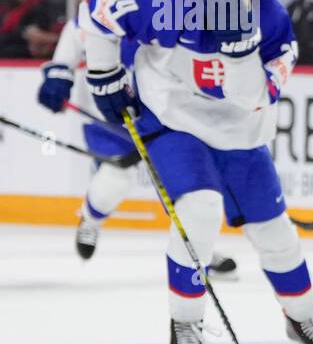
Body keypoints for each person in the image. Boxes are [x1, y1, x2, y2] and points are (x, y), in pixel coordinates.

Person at [76, 0, 313, 344]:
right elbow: (96, 14)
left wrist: (241, 53)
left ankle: (302, 320)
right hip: (173, 123)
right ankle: (185, 321)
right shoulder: (168, 1)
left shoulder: (272, 20)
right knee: (200, 210)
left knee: (275, 233)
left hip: (242, 135)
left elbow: (253, 98)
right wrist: (104, 76)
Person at [36, 19, 237, 278]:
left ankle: (198, 250)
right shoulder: (121, 4)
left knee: (191, 185)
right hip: (112, 114)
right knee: (117, 178)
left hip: (163, 114)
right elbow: (80, 25)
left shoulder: (179, 4)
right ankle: (91, 218)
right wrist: (60, 73)